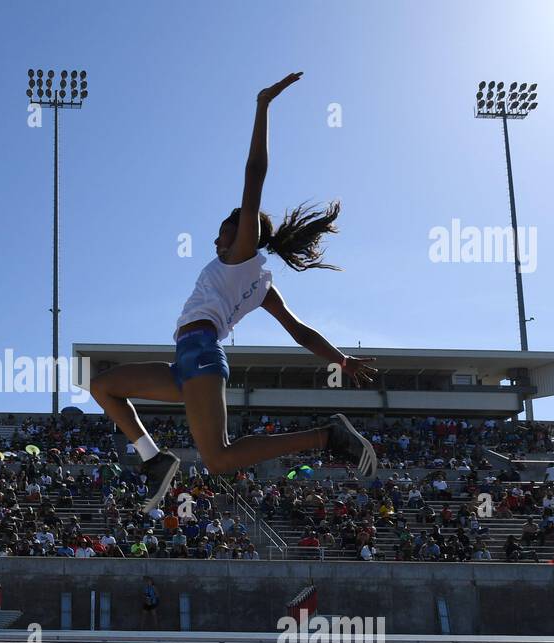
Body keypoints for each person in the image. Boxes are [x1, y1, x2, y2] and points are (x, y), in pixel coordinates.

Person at [88, 72, 377, 513]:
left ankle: (327, 434)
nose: (216, 242)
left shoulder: (244, 255)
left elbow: (254, 174)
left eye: (223, 233)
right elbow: (300, 332)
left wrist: (262, 107)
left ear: (242, 233)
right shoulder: (262, 285)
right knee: (103, 386)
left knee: (218, 458)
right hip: (187, 361)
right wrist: (341, 360)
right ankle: (154, 458)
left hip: (202, 354)